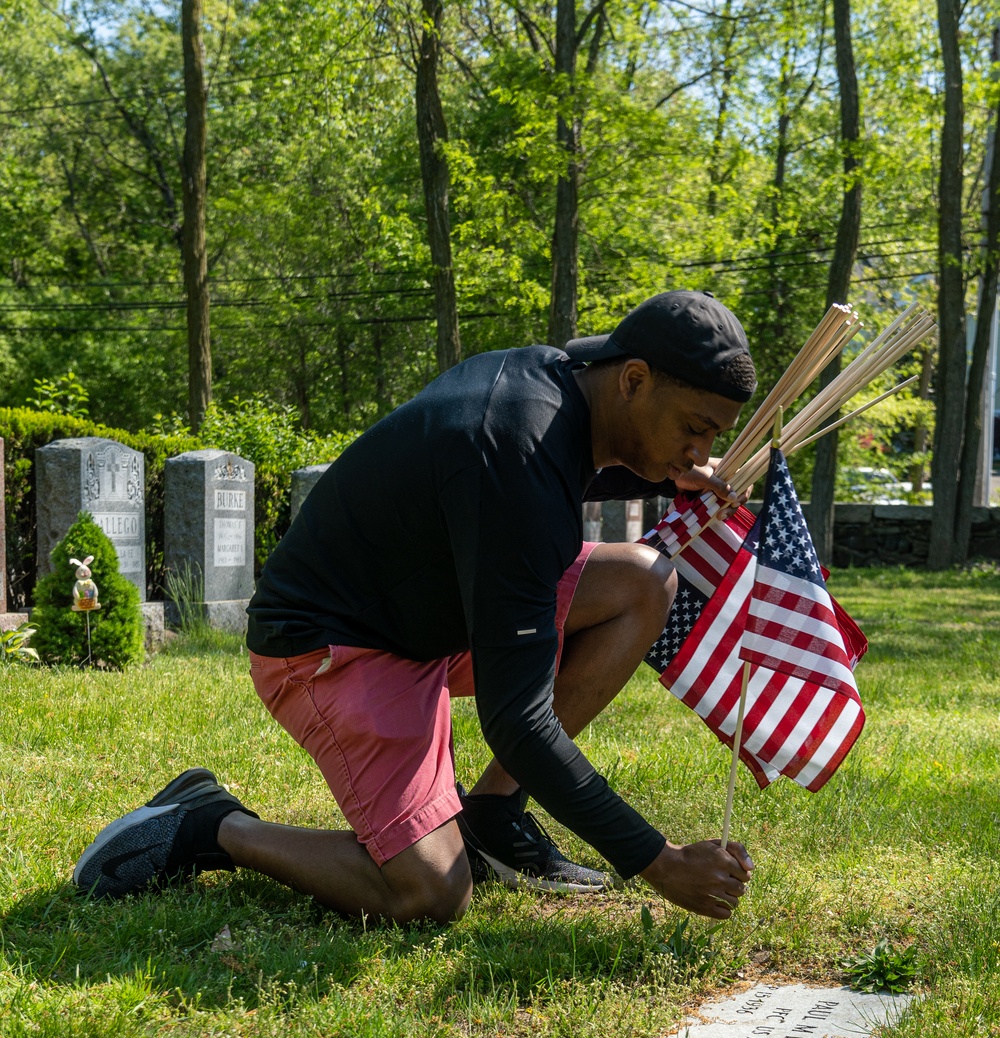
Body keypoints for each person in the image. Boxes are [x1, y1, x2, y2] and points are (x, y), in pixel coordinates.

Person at [74, 290, 757, 925]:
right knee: (430, 891)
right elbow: (518, 722)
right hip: (337, 644)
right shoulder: (515, 457)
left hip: (434, 611)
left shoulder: (558, 379)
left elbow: (554, 465)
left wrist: (674, 471)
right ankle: (213, 824)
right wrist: (657, 860)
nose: (701, 453)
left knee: (644, 581)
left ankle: (492, 812)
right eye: (694, 429)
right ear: (633, 379)